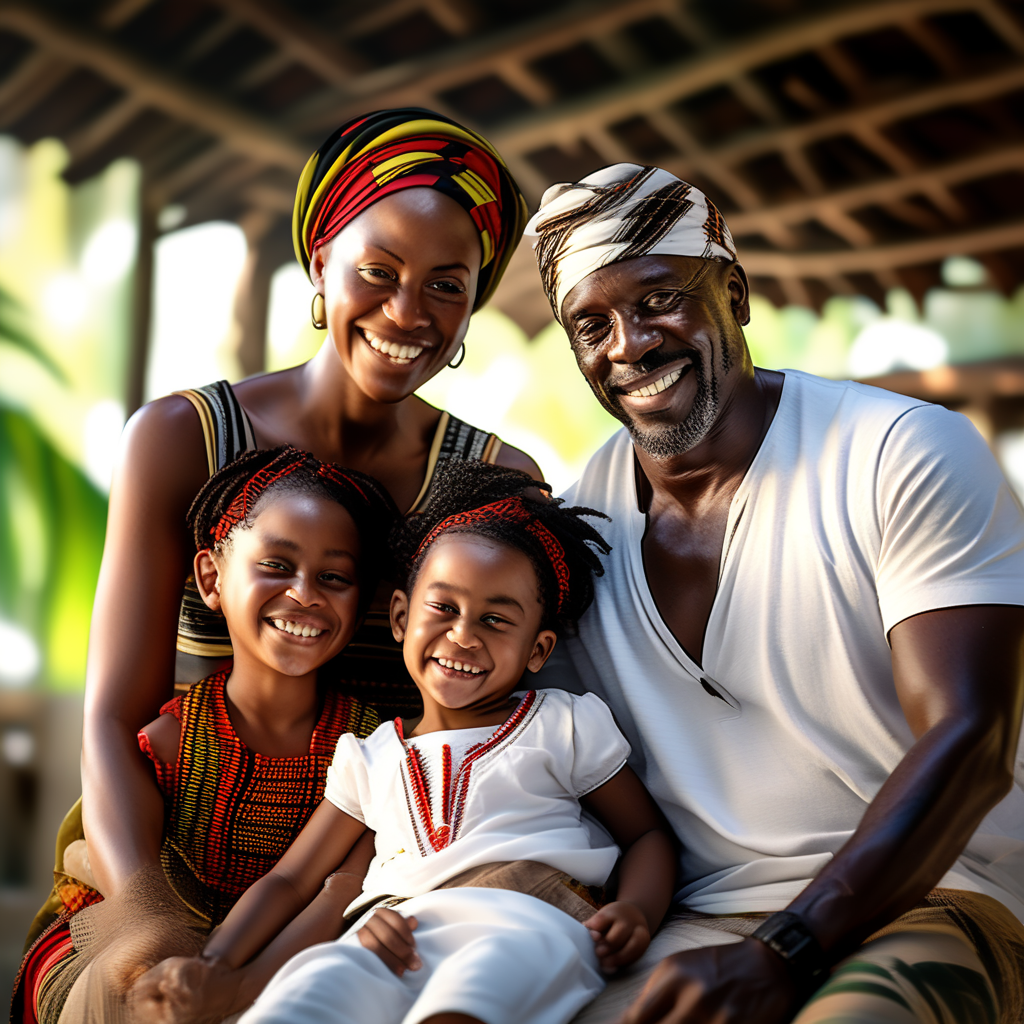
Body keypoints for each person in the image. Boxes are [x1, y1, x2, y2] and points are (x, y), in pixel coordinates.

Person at [13, 108, 536, 1023]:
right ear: (321, 263)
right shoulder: (182, 439)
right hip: (159, 861)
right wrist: (149, 928)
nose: (407, 312)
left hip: (367, 887)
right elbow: (114, 719)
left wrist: (357, 911)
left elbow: (483, 735)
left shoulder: (493, 484)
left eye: (446, 286)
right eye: (378, 272)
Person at [522, 163, 1024, 1024]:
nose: (629, 345)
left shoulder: (899, 452)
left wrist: (787, 948)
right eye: (591, 324)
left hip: (936, 897)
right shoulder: (579, 535)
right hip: (694, 921)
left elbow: (973, 738)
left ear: (735, 293)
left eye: (659, 299)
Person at [131, 461, 677, 1024]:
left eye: (495, 620)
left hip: (524, 918)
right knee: (310, 988)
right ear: (399, 616)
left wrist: (637, 909)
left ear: (538, 650)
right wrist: (214, 962)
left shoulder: (561, 724)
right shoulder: (369, 756)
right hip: (393, 932)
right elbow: (291, 880)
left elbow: (647, 835)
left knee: (478, 989)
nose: (463, 635)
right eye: (444, 608)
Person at [18, 446, 397, 1023]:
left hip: (293, 953)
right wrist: (170, 960)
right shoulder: (171, 741)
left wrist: (234, 986)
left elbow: (338, 894)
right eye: (277, 565)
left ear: (363, 599)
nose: (305, 593)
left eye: (334, 577)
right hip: (134, 944)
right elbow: (131, 900)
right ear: (211, 578)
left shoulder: (372, 748)